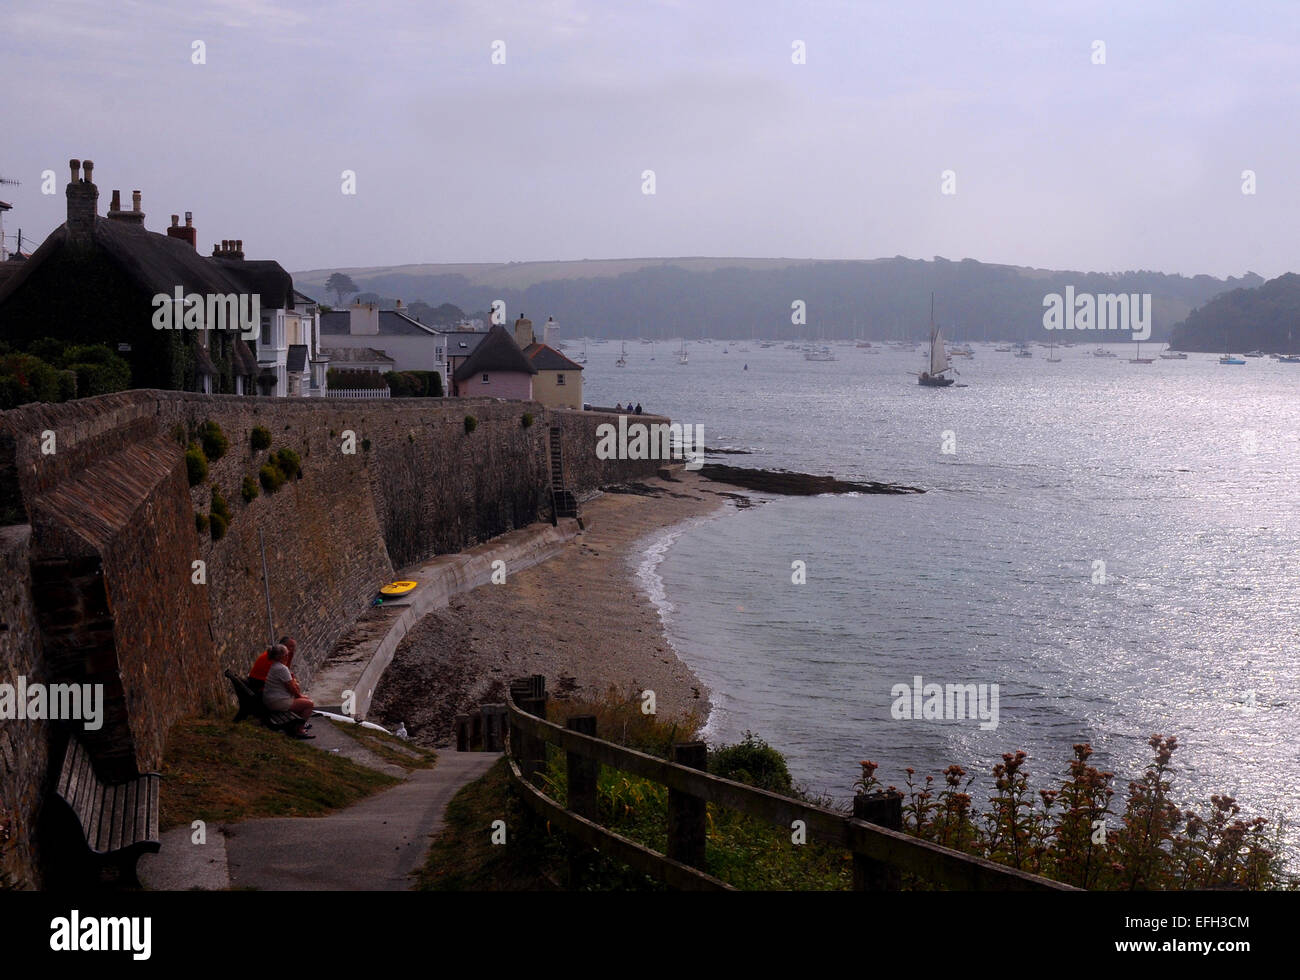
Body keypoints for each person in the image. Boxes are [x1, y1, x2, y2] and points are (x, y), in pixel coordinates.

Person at [262, 644, 315, 738]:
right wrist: (300, 696)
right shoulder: (282, 669)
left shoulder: (275, 666)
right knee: (309, 704)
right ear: (280, 656)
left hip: (271, 700)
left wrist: (299, 695)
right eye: (286, 655)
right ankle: (299, 730)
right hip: (278, 702)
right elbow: (291, 688)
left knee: (304, 700)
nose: (288, 657)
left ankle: (295, 725)